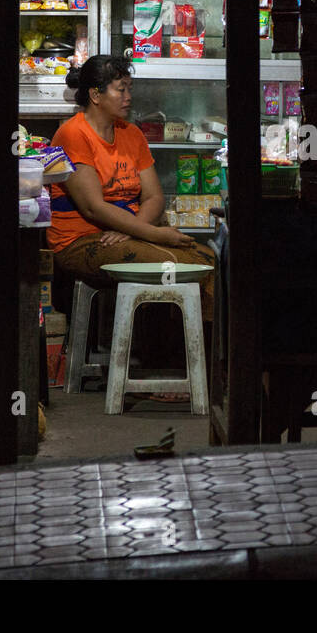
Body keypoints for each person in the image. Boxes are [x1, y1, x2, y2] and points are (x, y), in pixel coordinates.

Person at [49, 55, 215, 399]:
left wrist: (134, 227)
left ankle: (204, 369)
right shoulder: (72, 134)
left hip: (124, 230)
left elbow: (154, 196)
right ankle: (167, 372)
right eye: (120, 89)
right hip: (81, 240)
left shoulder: (131, 134)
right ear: (95, 95)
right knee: (187, 265)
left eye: (129, 88)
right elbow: (94, 207)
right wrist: (153, 233)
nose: (128, 97)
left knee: (211, 260)